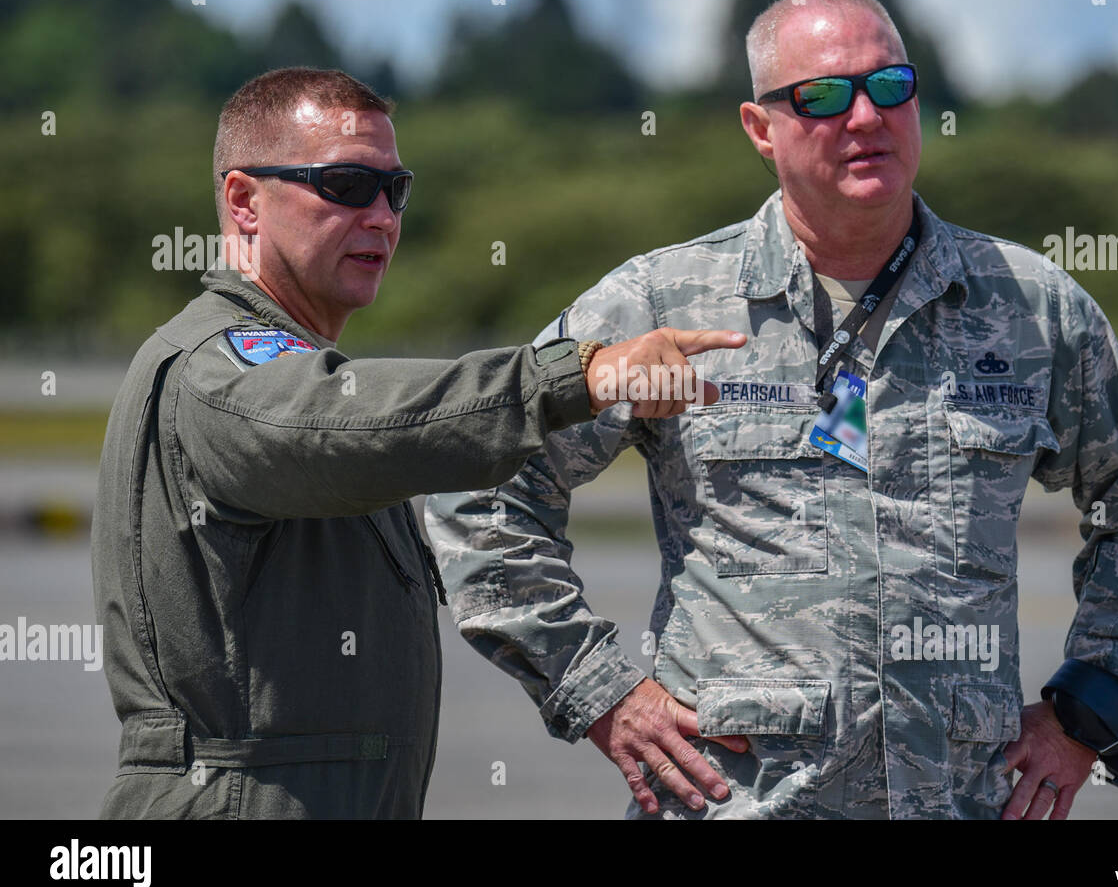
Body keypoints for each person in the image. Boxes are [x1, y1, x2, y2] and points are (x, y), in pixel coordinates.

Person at [425, 0, 1118, 819]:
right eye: (823, 96)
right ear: (761, 130)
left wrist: (1087, 709)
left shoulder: (1031, 306)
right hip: (739, 804)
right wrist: (599, 694)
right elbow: (480, 488)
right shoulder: (666, 302)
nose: (866, 117)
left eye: (891, 87)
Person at [90, 67, 743, 819]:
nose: (380, 216)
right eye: (343, 185)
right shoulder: (220, 366)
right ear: (244, 201)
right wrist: (576, 376)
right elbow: (340, 426)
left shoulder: (284, 362)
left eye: (393, 190)